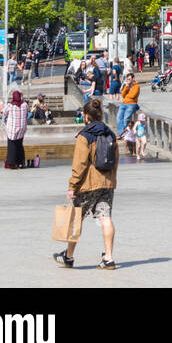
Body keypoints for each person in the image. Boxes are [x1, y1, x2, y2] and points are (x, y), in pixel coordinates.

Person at [55, 97, 119, 269]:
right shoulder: (110, 133)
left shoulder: (85, 135)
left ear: (86, 116)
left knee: (77, 219)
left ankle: (68, 256)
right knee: (106, 218)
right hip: (107, 184)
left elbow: (80, 164)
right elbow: (116, 160)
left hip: (87, 185)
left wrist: (72, 186)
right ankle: (109, 257)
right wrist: (112, 180)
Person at [1, 90, 29, 169]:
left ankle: (11, 163)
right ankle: (21, 162)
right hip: (22, 128)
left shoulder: (10, 105)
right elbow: (27, 112)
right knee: (19, 145)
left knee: (12, 145)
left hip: (12, 128)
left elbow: (4, 113)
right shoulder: (24, 105)